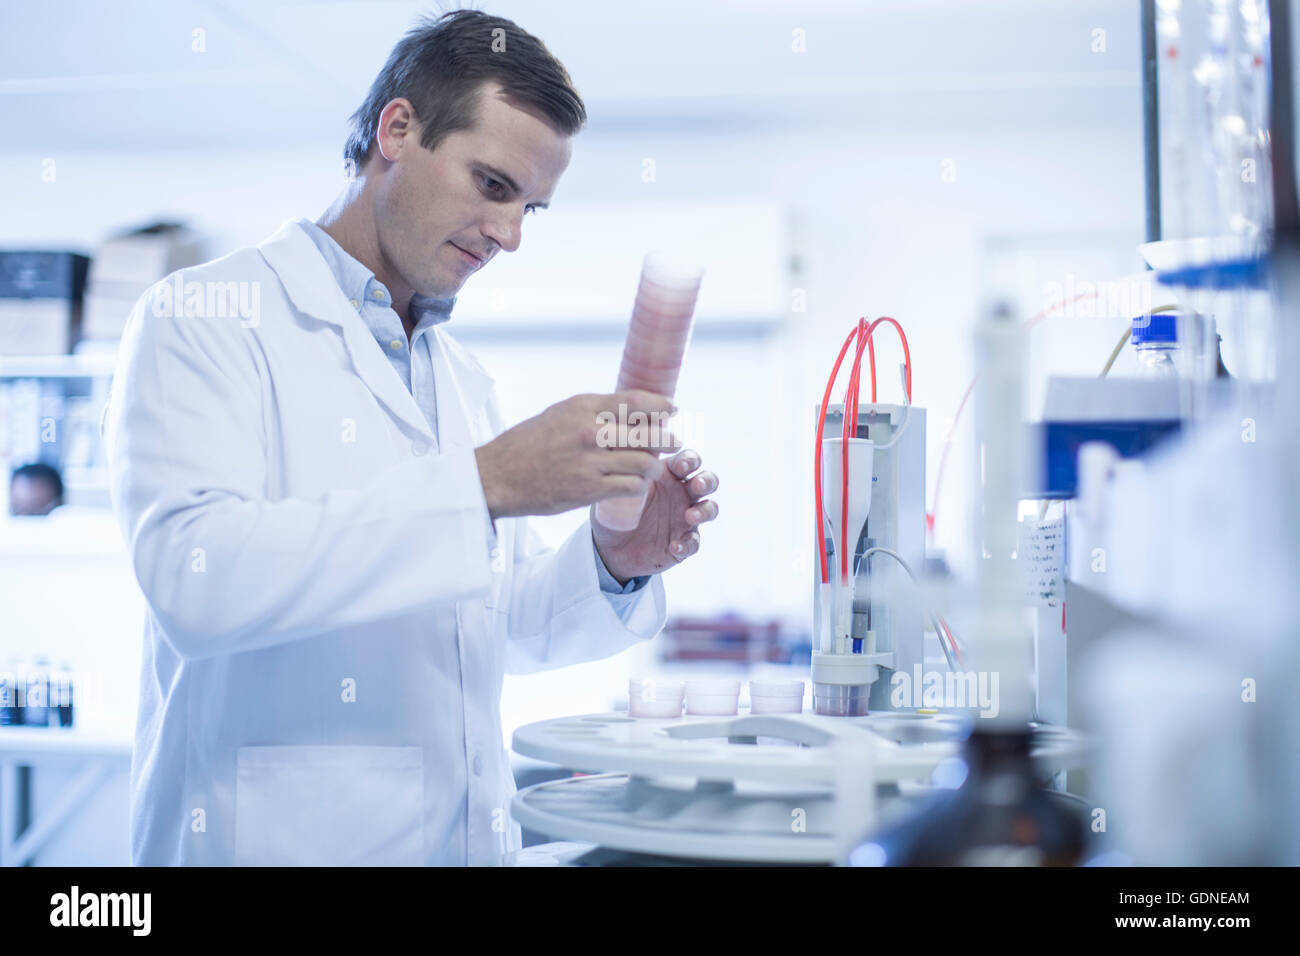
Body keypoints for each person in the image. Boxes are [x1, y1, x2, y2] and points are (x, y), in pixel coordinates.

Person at [102, 10, 718, 866]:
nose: (509, 235)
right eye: (493, 186)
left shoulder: (459, 378)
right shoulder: (206, 317)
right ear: (398, 130)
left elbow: (494, 628)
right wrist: (485, 484)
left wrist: (616, 559)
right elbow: (195, 583)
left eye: (530, 207)